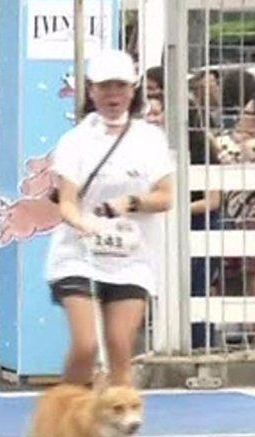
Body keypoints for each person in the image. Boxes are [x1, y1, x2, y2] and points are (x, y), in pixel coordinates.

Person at [46, 49, 173, 388]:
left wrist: (130, 202)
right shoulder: (75, 141)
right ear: (91, 91)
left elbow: (165, 196)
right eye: (104, 87)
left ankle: (117, 427)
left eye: (120, 86)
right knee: (87, 345)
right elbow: (68, 202)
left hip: (131, 256)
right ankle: (67, 414)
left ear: (133, 90)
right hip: (80, 255)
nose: (113, 95)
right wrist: (83, 223)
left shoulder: (150, 139)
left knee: (119, 345)